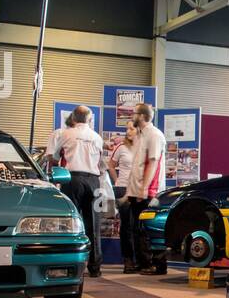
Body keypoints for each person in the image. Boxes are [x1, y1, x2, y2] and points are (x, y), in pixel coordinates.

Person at [55, 106, 104, 278]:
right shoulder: (97, 137)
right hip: (94, 181)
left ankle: (69, 262)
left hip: (72, 179)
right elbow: (100, 161)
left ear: (73, 118)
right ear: (89, 119)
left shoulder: (65, 134)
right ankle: (95, 267)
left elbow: (53, 157)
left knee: (69, 222)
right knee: (94, 224)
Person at [125, 103, 165, 275]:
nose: (132, 115)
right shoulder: (141, 135)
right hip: (137, 190)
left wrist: (144, 189)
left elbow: (153, 162)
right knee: (137, 229)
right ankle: (143, 263)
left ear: (141, 116)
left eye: (134, 113)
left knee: (148, 229)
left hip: (148, 191)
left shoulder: (154, 135)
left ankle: (155, 264)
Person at [109, 126, 138, 273]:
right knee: (126, 226)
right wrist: (116, 181)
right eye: (127, 129)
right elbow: (111, 166)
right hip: (123, 188)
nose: (128, 131)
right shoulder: (121, 147)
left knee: (138, 226)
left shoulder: (144, 147)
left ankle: (140, 260)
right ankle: (128, 261)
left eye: (132, 128)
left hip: (138, 190)